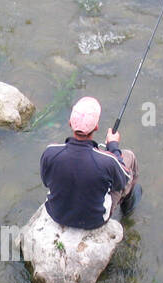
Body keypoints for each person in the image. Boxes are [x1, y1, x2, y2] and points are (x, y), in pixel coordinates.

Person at [39, 96, 141, 229]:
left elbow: (46, 181)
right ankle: (128, 206)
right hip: (94, 221)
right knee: (129, 157)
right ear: (97, 127)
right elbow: (122, 182)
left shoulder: (50, 152)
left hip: (56, 214)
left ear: (70, 123)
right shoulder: (108, 161)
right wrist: (113, 146)